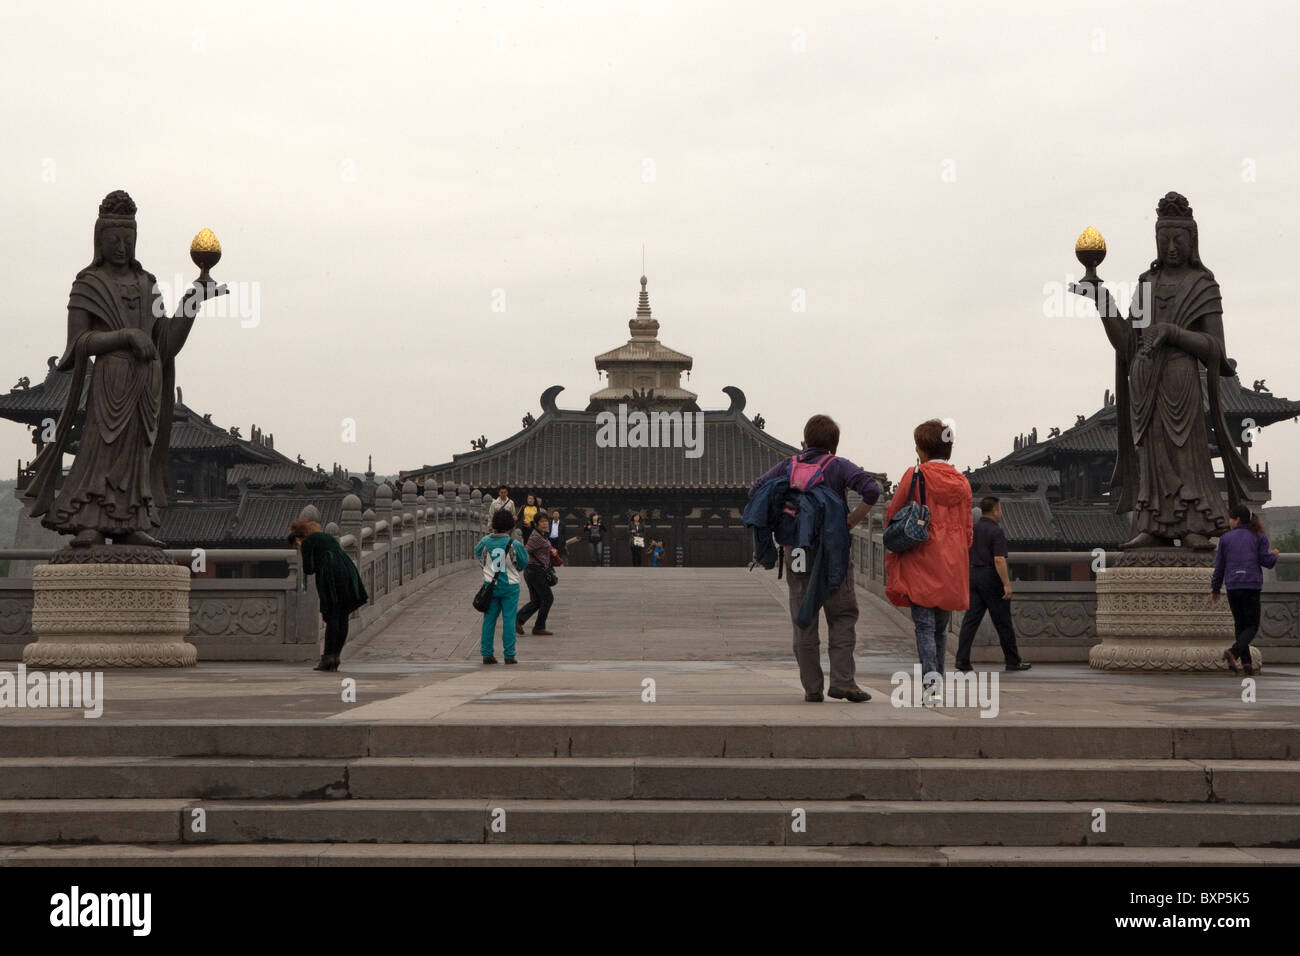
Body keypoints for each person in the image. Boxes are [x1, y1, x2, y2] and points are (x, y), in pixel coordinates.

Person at [749, 414, 881, 703]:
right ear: (833, 444)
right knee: (842, 616)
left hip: (795, 551)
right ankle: (843, 682)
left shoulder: (788, 465)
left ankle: (812, 688)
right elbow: (873, 489)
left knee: (803, 619)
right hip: (832, 553)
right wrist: (849, 521)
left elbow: (756, 488)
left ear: (805, 440)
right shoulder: (838, 466)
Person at [884, 419, 973, 706]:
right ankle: (937, 687)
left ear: (920, 448)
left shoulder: (916, 475)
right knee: (940, 627)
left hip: (922, 559)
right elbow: (969, 529)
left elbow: (894, 515)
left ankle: (931, 688)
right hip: (952, 564)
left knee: (924, 625)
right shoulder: (963, 483)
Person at [955, 496, 1030, 673]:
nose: (1001, 513)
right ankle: (1013, 661)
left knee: (970, 620)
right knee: (1003, 621)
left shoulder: (974, 529)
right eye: (1000, 509)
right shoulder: (996, 531)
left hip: (973, 574)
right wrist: (1006, 584)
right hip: (990, 576)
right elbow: (999, 559)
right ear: (995, 510)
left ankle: (962, 659)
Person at [289, 518, 369, 672]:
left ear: (298, 537)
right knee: (342, 616)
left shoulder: (307, 542)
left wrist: (303, 549)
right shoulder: (326, 536)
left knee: (332, 616)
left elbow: (309, 568)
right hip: (347, 571)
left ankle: (327, 658)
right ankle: (336, 656)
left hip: (330, 576)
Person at [1212, 504, 1280, 676]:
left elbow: (1219, 566)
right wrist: (1274, 555)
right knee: (1251, 626)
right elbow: (1267, 561)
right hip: (1251, 584)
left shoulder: (1225, 538)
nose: (1229, 521)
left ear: (1236, 520)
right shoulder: (1258, 536)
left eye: (1230, 518)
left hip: (1233, 585)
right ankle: (1233, 652)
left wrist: (1215, 588)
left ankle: (1247, 664)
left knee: (1240, 625)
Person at [474, 506, 530, 665]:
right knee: (509, 619)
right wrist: (515, 568)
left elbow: (478, 553)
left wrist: (487, 568)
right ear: (510, 526)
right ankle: (509, 654)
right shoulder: (514, 544)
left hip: (490, 586)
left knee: (489, 620)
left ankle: (486, 654)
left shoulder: (485, 541)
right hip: (510, 587)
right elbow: (523, 562)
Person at [517, 513, 557, 635]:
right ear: (536, 524)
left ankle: (518, 620)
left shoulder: (542, 536)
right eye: (542, 521)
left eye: (546, 521)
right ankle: (539, 627)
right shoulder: (535, 537)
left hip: (535, 570)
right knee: (547, 598)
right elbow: (525, 551)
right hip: (535, 571)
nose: (545, 524)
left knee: (536, 600)